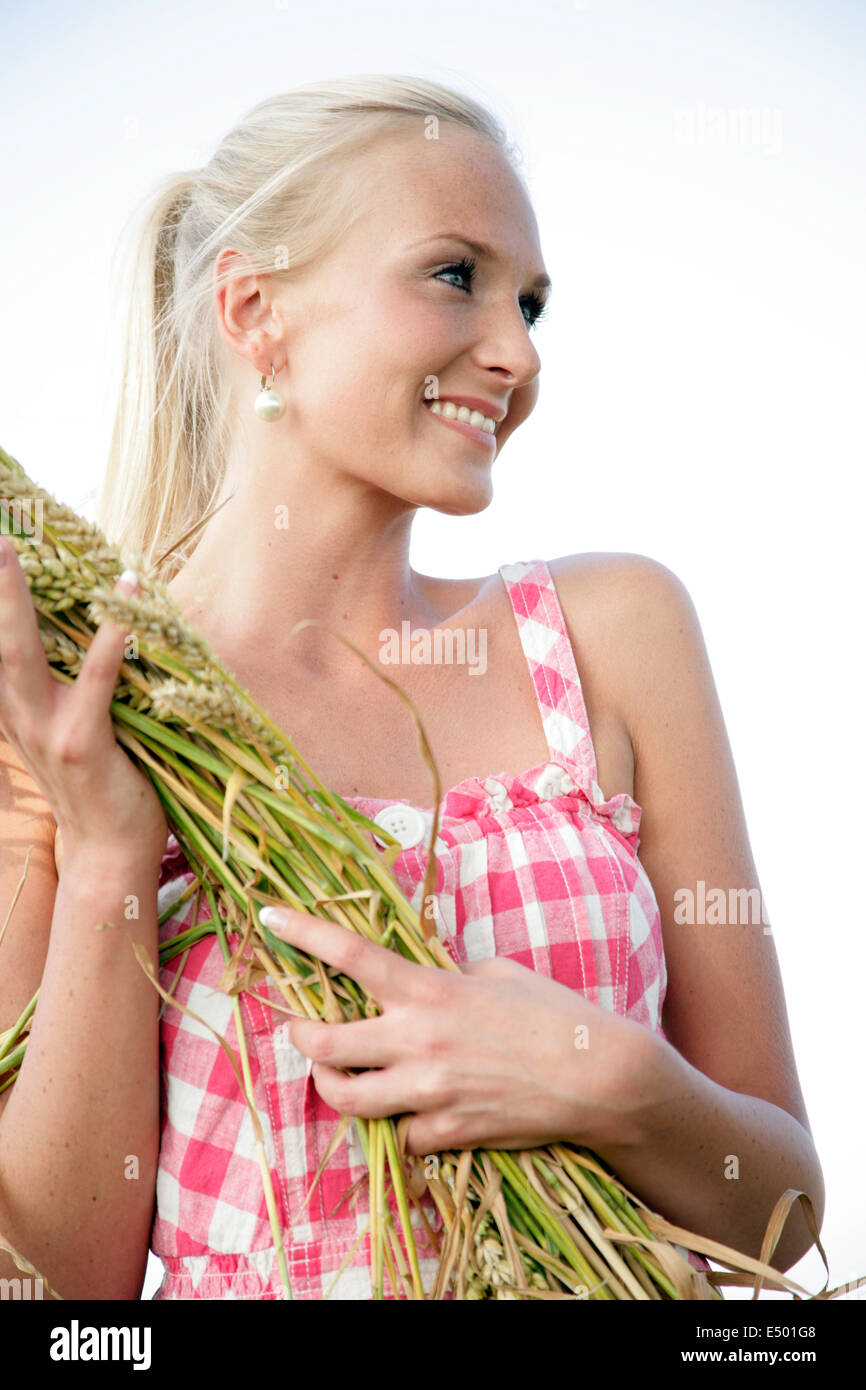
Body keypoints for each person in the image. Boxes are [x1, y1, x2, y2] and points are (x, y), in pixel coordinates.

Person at [0, 75, 824, 1300]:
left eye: (532, 302)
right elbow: (56, 1290)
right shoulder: (75, 712)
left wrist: (604, 1076)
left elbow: (782, 1210)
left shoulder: (612, 633)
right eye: (456, 276)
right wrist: (113, 852)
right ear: (254, 311)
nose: (519, 352)